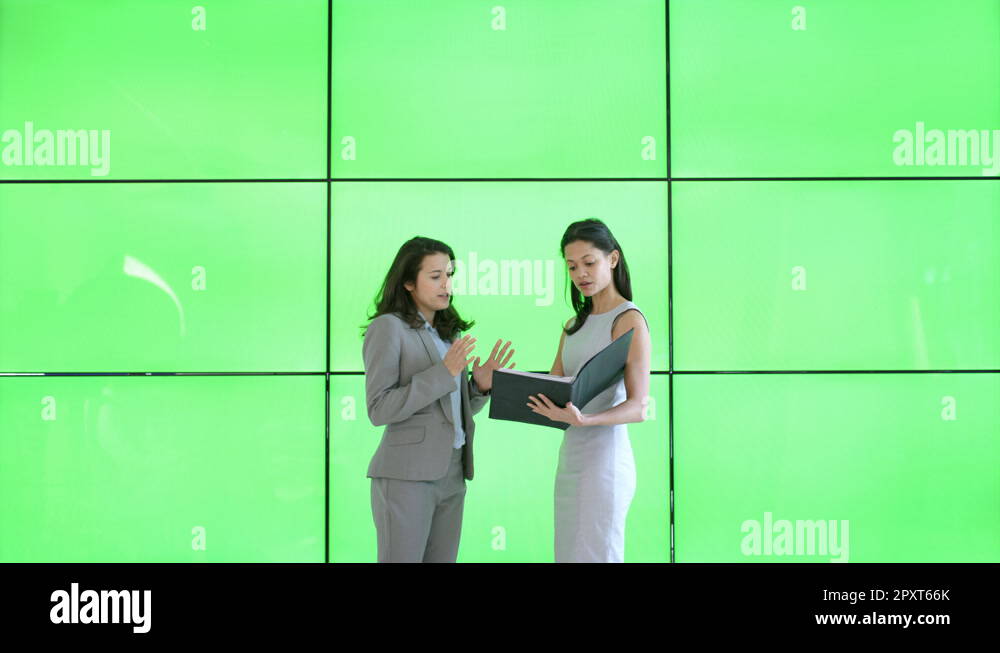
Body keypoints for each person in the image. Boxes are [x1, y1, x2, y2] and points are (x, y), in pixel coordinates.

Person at [361, 236, 515, 562]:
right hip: (406, 476)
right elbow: (379, 408)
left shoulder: (448, 334)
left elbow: (451, 410)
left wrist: (479, 387)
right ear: (407, 282)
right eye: (435, 277)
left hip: (453, 473)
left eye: (449, 275)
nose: (446, 284)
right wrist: (443, 374)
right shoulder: (388, 328)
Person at [526, 219, 652, 562]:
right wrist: (497, 382)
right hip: (571, 458)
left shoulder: (629, 319)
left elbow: (638, 407)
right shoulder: (572, 325)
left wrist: (586, 419)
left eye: (589, 263)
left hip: (605, 461)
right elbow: (552, 389)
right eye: (571, 266)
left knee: (599, 553)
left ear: (612, 259)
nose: (580, 273)